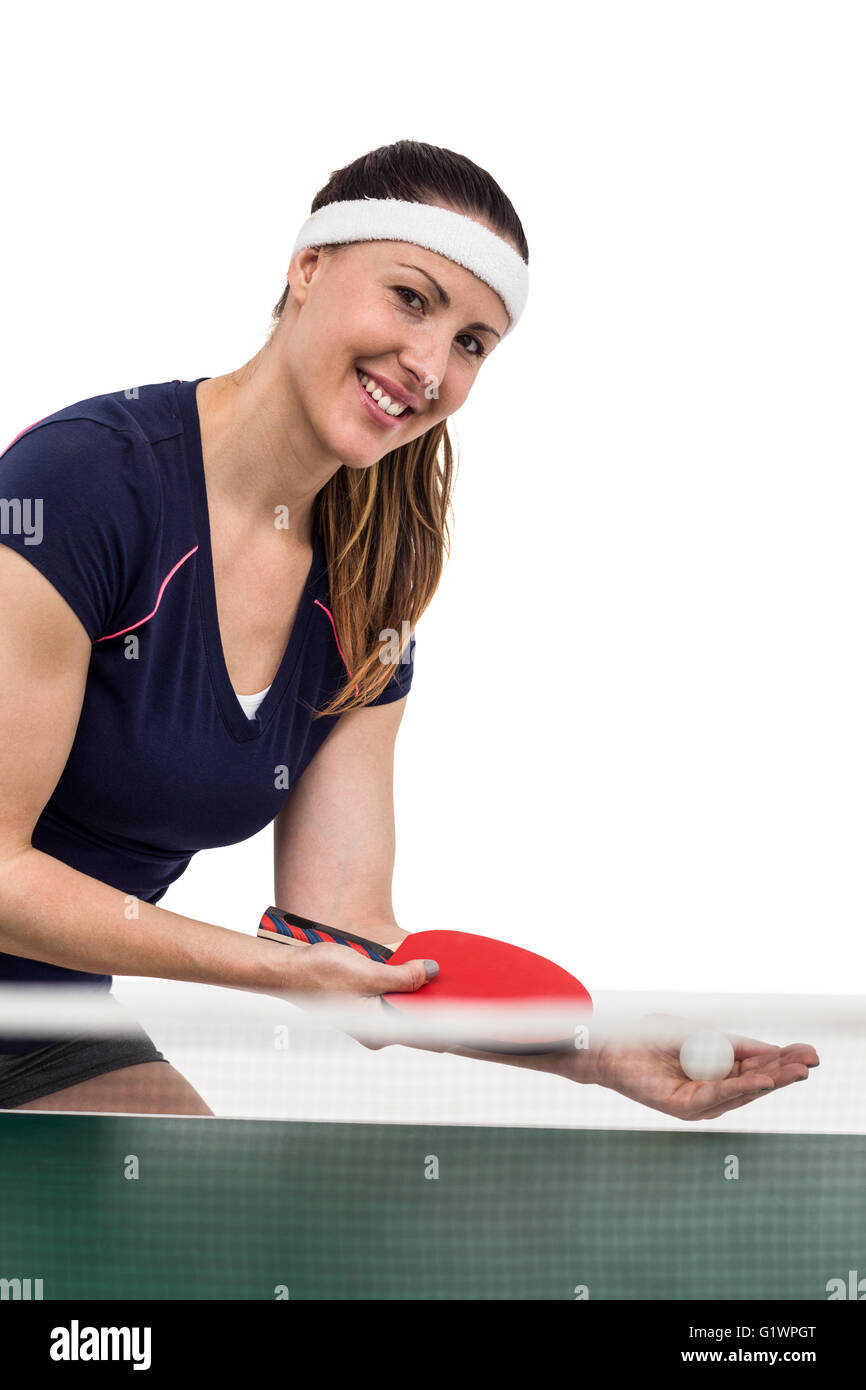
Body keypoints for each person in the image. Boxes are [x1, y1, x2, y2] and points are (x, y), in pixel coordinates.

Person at [0, 139, 817, 1118]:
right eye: (411, 298)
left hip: (40, 1021)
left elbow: (341, 934)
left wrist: (599, 1053)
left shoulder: (365, 593)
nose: (429, 364)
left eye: (472, 342)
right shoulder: (82, 486)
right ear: (307, 268)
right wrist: (267, 970)